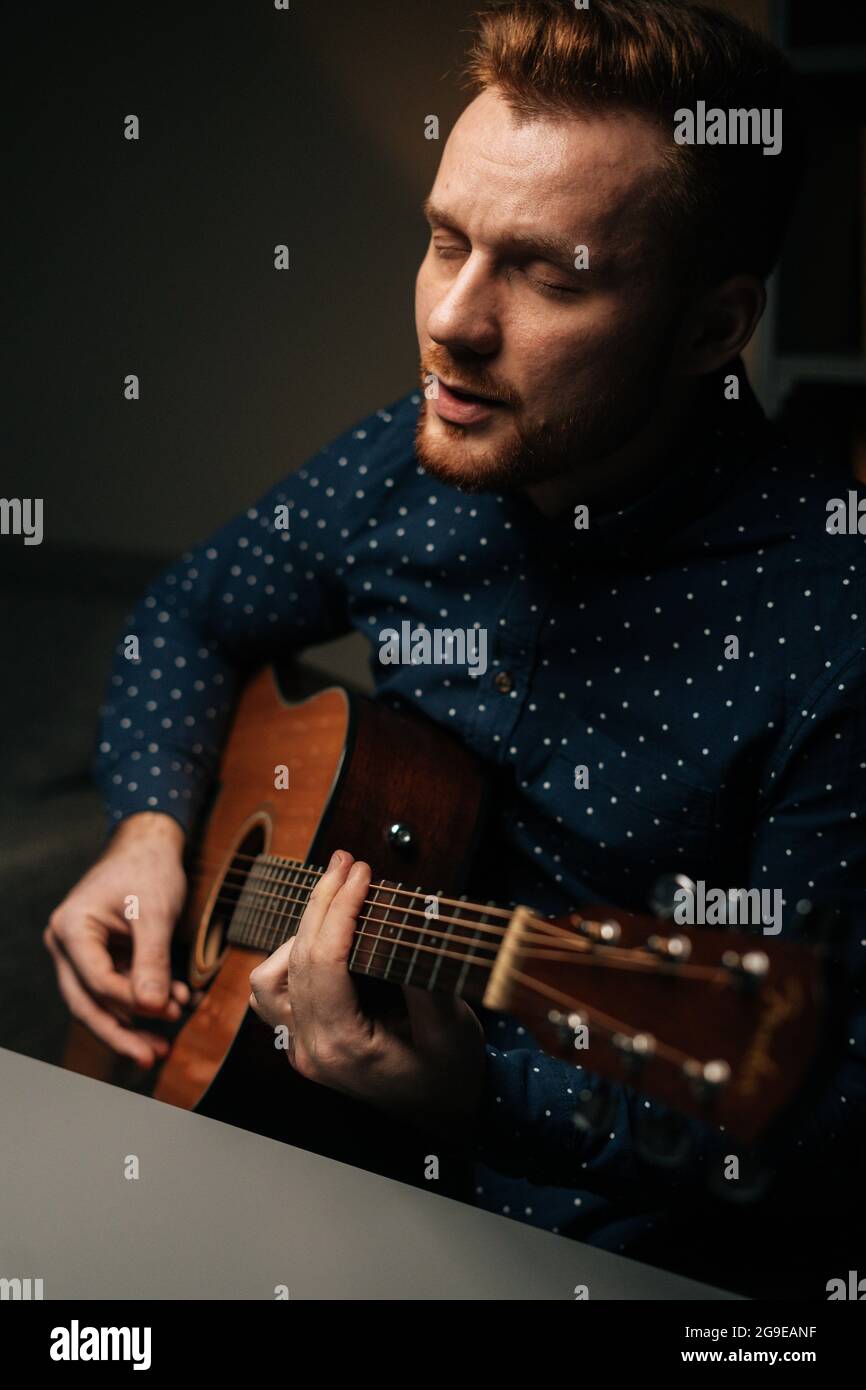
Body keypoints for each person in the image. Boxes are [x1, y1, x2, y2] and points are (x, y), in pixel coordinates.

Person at [44, 0, 866, 1296]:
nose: (451, 324)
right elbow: (188, 616)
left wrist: (481, 1091)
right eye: (444, 242)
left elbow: (830, 1114)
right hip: (307, 1159)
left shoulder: (834, 620)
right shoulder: (404, 465)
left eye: (549, 273)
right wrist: (148, 828)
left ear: (714, 330)